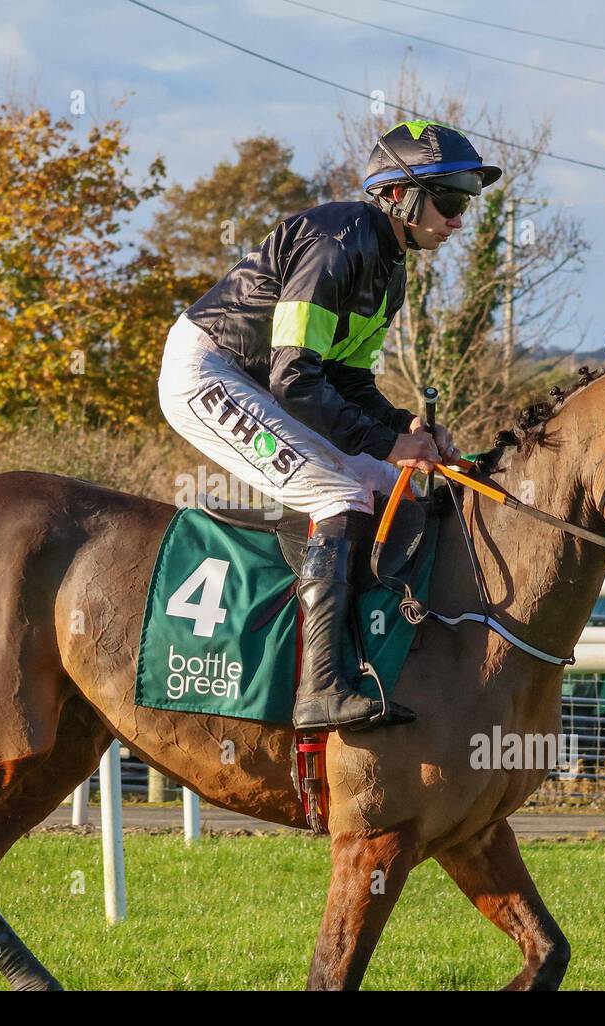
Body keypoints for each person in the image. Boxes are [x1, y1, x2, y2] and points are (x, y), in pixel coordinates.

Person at [158, 120, 503, 731]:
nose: (457, 221)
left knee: (377, 481)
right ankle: (318, 689)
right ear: (398, 195)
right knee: (339, 489)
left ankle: (364, 650)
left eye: (464, 205)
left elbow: (346, 383)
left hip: (261, 379)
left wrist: (407, 428)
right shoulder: (335, 244)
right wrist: (394, 442)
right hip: (208, 370)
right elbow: (295, 379)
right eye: (449, 202)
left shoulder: (390, 271)